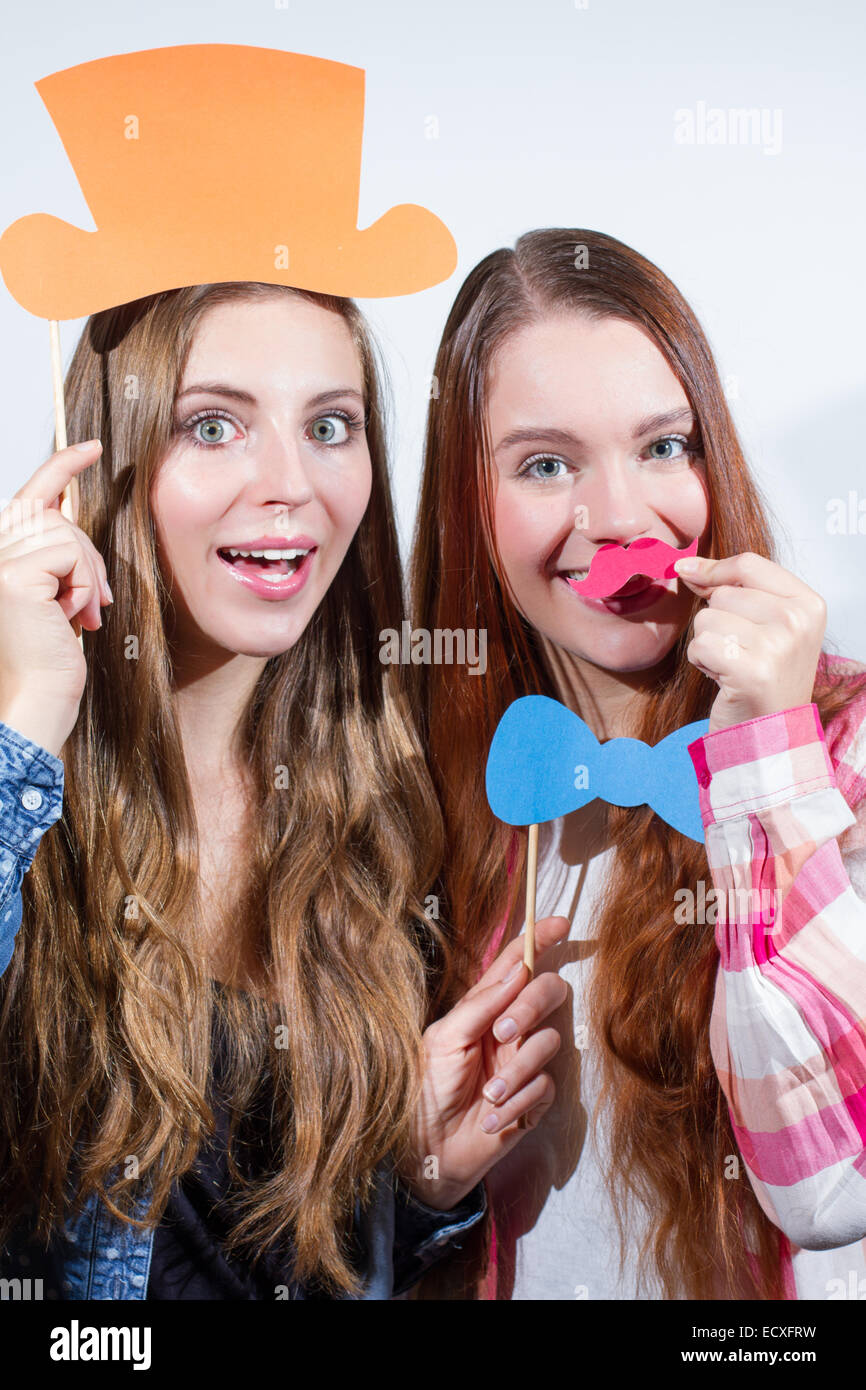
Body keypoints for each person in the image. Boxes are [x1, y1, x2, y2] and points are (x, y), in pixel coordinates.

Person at [0, 279, 567, 1300]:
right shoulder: (21, 777)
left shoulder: (388, 794)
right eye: (213, 425)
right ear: (106, 455)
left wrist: (415, 1180)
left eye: (328, 425)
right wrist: (33, 706)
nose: (290, 482)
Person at [410, 228, 866, 1300]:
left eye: (664, 447)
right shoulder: (422, 772)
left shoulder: (842, 751)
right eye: (544, 464)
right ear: (467, 503)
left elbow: (831, 1186)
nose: (621, 518)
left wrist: (768, 756)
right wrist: (420, 1179)